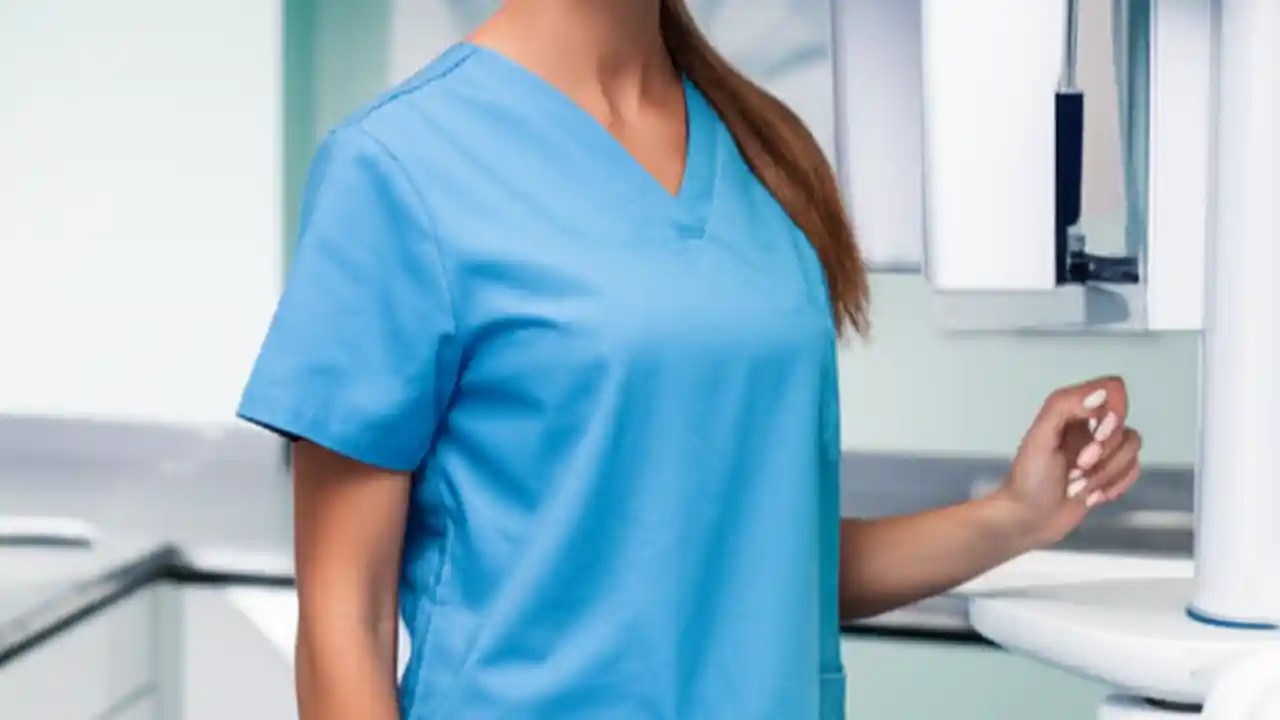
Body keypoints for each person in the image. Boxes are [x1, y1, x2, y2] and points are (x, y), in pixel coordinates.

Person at [236, 1, 1145, 718]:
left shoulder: (767, 155)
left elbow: (764, 567)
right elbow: (342, 624)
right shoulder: (398, 169)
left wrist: (1014, 517)